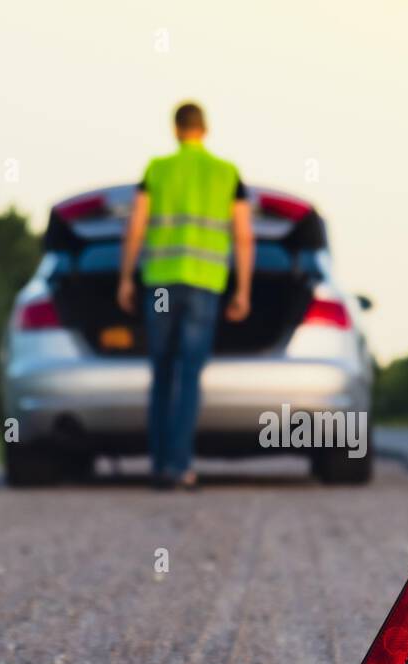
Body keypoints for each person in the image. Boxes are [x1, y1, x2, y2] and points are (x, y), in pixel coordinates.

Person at [117, 101, 254, 490]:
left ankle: (159, 466)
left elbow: (136, 226)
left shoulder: (157, 170)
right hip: (205, 284)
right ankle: (182, 467)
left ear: (175, 129)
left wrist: (126, 278)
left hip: (159, 281)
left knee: (161, 373)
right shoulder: (226, 173)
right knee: (189, 375)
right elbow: (243, 236)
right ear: (205, 129)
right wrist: (242, 289)